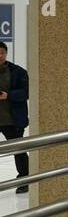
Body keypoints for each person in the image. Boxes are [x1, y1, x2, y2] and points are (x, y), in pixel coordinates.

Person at [0, 42, 30, 194]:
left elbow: (27, 92)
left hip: (12, 120)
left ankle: (25, 180)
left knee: (19, 151)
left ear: (6, 53)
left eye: (1, 53)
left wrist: (8, 95)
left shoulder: (18, 72)